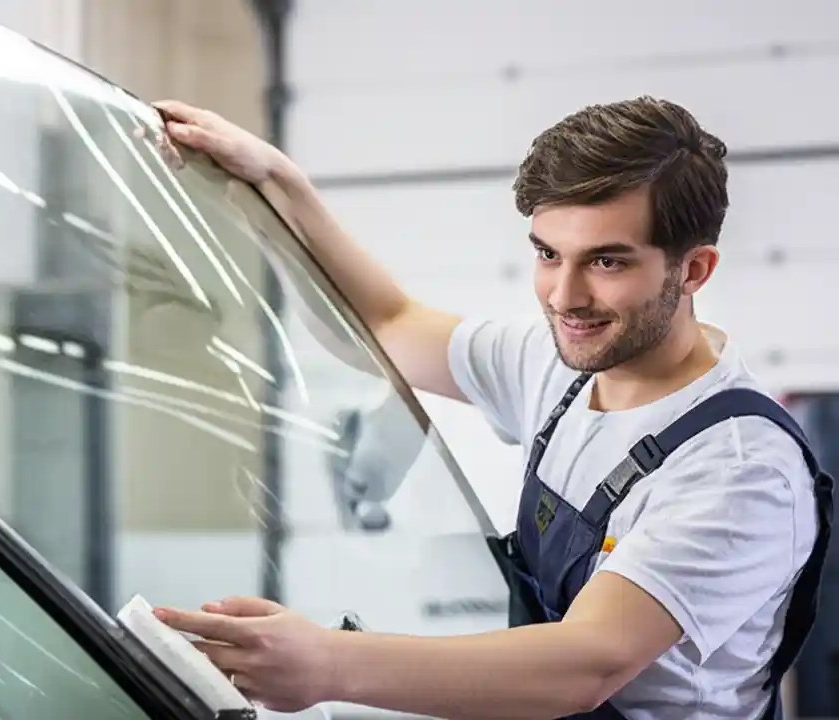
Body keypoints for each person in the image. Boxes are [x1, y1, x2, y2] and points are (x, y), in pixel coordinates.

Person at [148, 96, 833, 719]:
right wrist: (272, 184)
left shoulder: (739, 466)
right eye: (547, 254)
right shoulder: (555, 366)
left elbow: (586, 663)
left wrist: (329, 663)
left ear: (693, 270)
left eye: (607, 262)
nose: (564, 296)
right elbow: (386, 324)